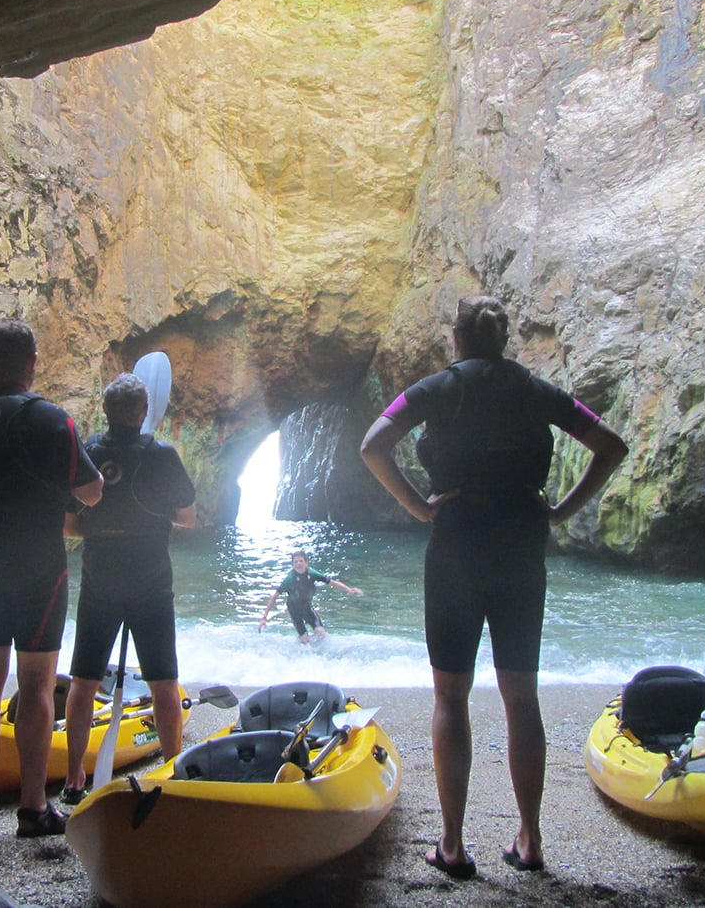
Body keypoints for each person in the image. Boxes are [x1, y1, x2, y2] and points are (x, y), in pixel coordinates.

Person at [359, 295, 627, 879]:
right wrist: (561, 511)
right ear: (501, 339)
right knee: (521, 698)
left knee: (451, 697)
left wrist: (418, 507)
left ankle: (452, 846)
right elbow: (611, 445)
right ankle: (529, 840)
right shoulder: (538, 392)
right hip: (521, 548)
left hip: (455, 548)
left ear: (456, 337)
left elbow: (373, 444)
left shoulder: (434, 389)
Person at [0, 319, 103, 838]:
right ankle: (32, 806)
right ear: (33, 364)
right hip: (39, 569)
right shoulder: (54, 422)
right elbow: (92, 490)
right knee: (35, 685)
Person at [58, 373, 197, 805]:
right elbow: (188, 517)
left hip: (100, 579)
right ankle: (173, 768)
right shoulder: (163, 456)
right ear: (144, 412)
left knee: (83, 681)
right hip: (152, 581)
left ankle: (74, 777)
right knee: (163, 680)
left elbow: (66, 522)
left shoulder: (88, 452)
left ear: (105, 411)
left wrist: (96, 530)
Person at [257, 551, 364, 642]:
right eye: (296, 562)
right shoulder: (290, 579)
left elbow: (332, 582)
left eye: (301, 561)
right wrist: (264, 617)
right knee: (305, 640)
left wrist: (349, 589)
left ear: (306, 563)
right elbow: (274, 597)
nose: (298, 563)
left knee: (321, 634)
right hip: (295, 611)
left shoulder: (312, 574)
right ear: (293, 565)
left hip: (307, 608)